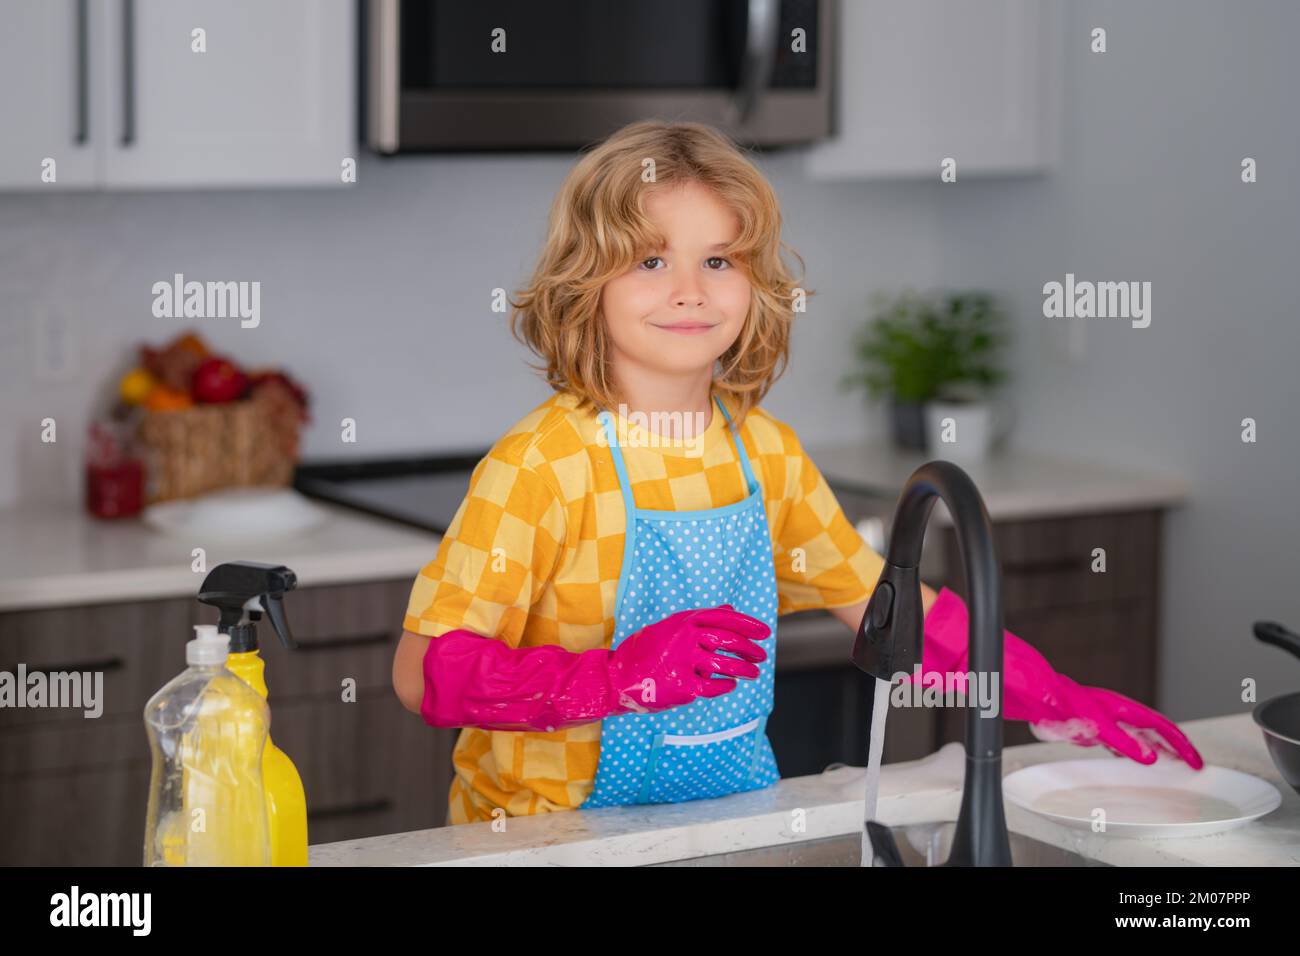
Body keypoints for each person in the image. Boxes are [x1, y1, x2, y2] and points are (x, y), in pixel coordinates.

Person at [391, 120, 1202, 825]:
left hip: (730, 820)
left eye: (719, 260)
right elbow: (423, 674)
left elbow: (890, 613)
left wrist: (1056, 697)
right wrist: (619, 676)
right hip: (542, 838)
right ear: (585, 282)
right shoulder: (542, 464)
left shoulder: (764, 453)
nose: (688, 292)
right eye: (647, 261)